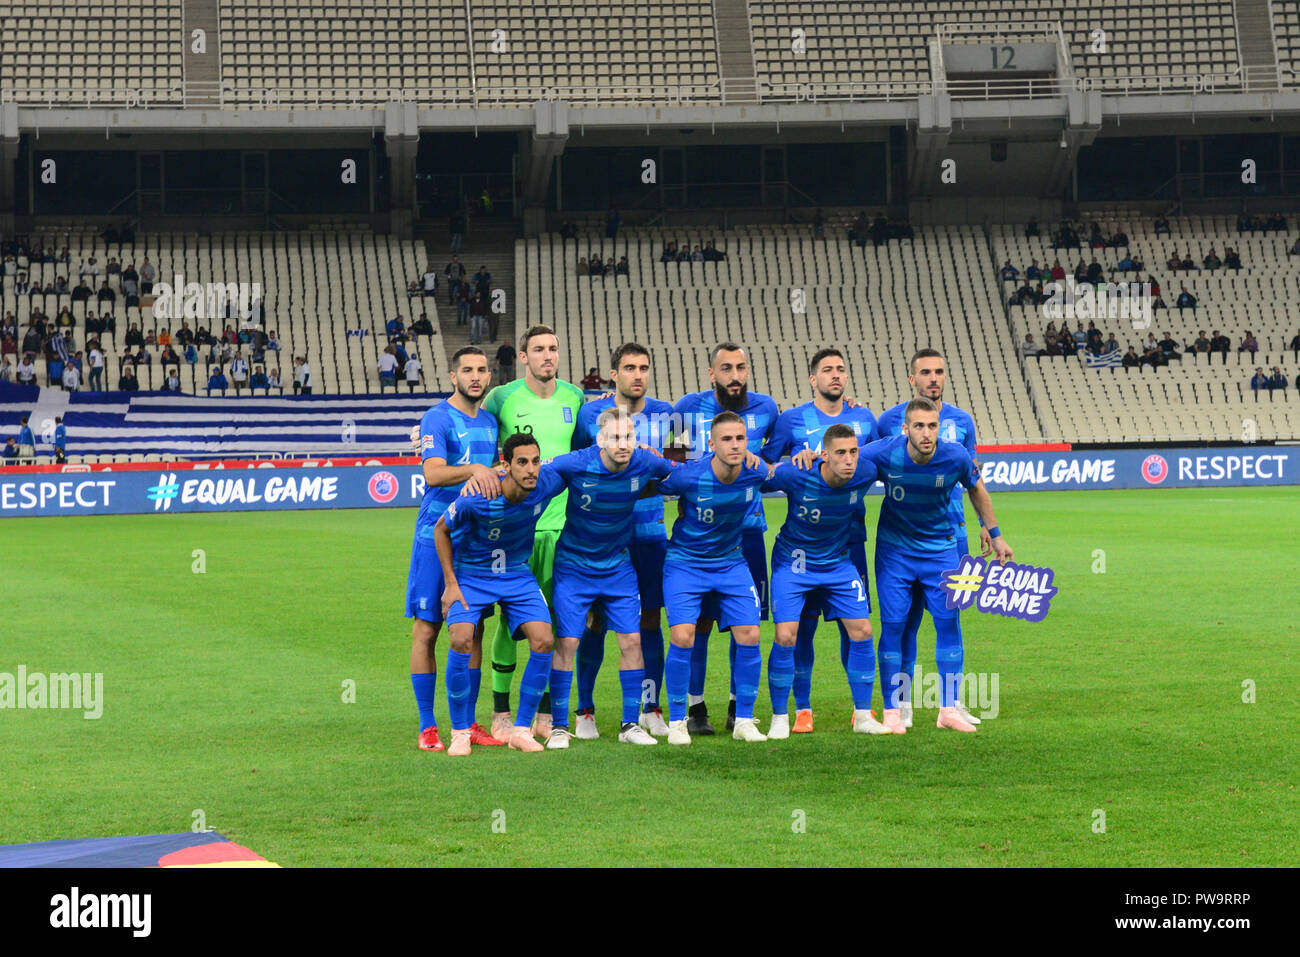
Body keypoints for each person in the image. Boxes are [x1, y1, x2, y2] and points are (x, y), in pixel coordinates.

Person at [509, 410, 675, 748]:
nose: (623, 444)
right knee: (567, 643)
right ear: (600, 439)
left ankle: (630, 725)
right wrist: (498, 477)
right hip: (574, 568)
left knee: (632, 641)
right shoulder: (575, 463)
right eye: (615, 437)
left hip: (618, 568)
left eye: (628, 437)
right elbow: (535, 479)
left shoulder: (644, 461)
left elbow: (682, 474)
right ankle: (559, 725)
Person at [866, 397, 1012, 733]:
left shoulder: (955, 456)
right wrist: (816, 458)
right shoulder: (885, 452)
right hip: (895, 554)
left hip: (941, 552)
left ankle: (948, 709)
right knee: (894, 627)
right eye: (919, 426)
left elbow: (977, 489)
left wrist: (996, 535)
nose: (926, 432)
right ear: (906, 429)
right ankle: (892, 711)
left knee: (948, 624)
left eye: (932, 426)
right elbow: (845, 462)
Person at [751, 348, 879, 731]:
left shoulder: (864, 418)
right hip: (802, 546)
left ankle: (862, 710)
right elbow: (765, 466)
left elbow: (885, 457)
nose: (835, 375)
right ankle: (801, 708)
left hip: (848, 542)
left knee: (855, 627)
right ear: (813, 378)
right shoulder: (792, 420)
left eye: (841, 369)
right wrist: (795, 460)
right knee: (799, 629)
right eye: (827, 370)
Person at [479, 326, 586, 742]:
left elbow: (582, 453)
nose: (548, 355)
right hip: (516, 530)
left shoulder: (574, 398)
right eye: (539, 349)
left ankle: (544, 711)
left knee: (556, 622)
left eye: (553, 348)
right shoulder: (501, 397)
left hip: (562, 530)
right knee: (511, 622)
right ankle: (500, 711)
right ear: (523, 357)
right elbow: (478, 435)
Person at [433, 432, 566, 754]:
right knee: (461, 639)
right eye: (522, 462)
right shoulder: (478, 496)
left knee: (544, 639)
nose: (531, 469)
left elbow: (577, 463)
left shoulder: (545, 483)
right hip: (473, 575)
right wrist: (451, 584)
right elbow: (441, 529)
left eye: (535, 461)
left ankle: (521, 730)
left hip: (516, 574)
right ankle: (460, 732)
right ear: (506, 466)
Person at [670, 343, 779, 734]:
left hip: (748, 533)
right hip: (699, 538)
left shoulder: (767, 408)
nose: (735, 375)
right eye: (726, 368)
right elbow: (673, 462)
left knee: (745, 624)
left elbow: (772, 462)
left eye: (741, 367)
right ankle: (695, 707)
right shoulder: (686, 407)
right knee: (696, 625)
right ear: (711, 373)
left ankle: (738, 708)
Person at [570, 343, 678, 738]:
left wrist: (645, 473)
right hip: (603, 536)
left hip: (649, 534)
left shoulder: (667, 413)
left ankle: (650, 708)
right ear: (613, 374)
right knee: (596, 620)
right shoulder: (590, 414)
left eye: (643, 368)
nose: (638, 375)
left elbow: (676, 471)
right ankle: (585, 712)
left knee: (649, 620)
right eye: (629, 368)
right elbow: (582, 467)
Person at [873, 349, 986, 726]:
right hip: (903, 537)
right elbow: (869, 460)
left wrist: (986, 525)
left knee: (950, 617)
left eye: (939, 371)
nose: (933, 378)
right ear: (912, 378)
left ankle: (951, 704)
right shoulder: (888, 420)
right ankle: (900, 703)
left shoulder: (963, 420)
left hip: (953, 535)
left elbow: (973, 474)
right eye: (925, 372)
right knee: (903, 621)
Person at [648, 412, 770, 745]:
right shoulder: (689, 476)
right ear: (711, 444)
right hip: (685, 564)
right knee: (683, 635)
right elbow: (656, 483)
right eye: (726, 439)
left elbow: (780, 474)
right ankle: (678, 722)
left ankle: (743, 720)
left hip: (731, 562)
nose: (735, 445)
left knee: (750, 633)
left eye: (740, 438)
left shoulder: (755, 472)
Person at [406, 346, 504, 754]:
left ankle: (469, 722)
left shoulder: (491, 421)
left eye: (481, 370)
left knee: (473, 629)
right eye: (467, 370)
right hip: (436, 532)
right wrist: (476, 469)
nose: (475, 377)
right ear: (453, 376)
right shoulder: (438, 417)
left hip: (475, 536)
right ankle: (427, 725)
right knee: (428, 628)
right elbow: (432, 473)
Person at [762, 425, 884, 736]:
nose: (849, 460)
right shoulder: (797, 473)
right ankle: (780, 717)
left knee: (863, 630)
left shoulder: (866, 472)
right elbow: (758, 478)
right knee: (787, 635)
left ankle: (863, 716)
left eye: (853, 452)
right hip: (794, 563)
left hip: (837, 563)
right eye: (840, 453)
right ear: (824, 455)